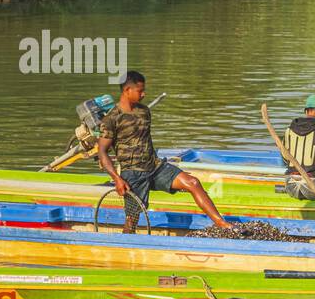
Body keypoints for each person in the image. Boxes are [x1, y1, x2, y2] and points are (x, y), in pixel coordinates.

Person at [97, 71, 229, 234]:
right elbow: (102, 152)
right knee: (132, 220)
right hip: (132, 174)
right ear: (127, 91)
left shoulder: (144, 111)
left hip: (155, 167)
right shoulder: (111, 119)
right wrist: (116, 179)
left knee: (193, 183)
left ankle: (222, 224)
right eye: (140, 91)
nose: (144, 94)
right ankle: (126, 246)